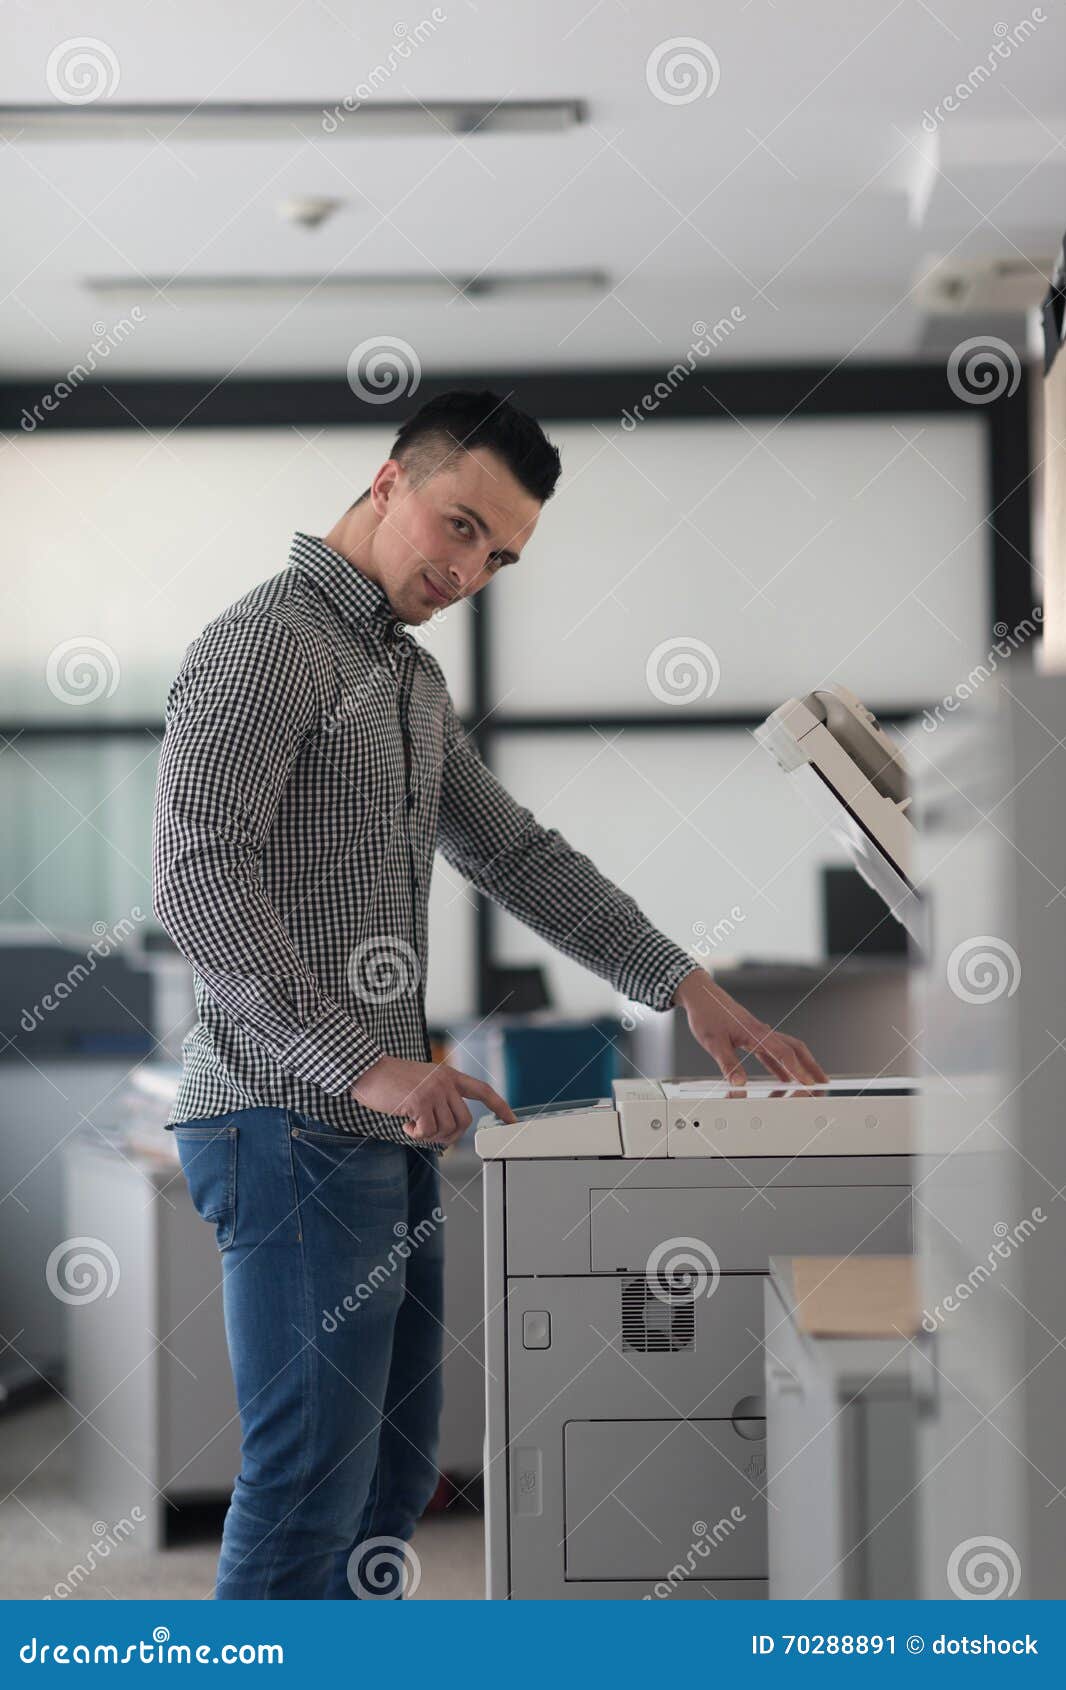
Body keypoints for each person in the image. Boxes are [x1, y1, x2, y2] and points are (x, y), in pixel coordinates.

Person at [151, 388, 826, 1599]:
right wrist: (360, 1061)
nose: (472, 569)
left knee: (393, 1479)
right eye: (461, 526)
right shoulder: (269, 641)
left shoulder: (405, 681)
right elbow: (197, 876)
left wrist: (685, 984)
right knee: (309, 1479)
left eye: (500, 555)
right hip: (287, 1114)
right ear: (388, 480)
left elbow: (515, 854)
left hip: (383, 1122)